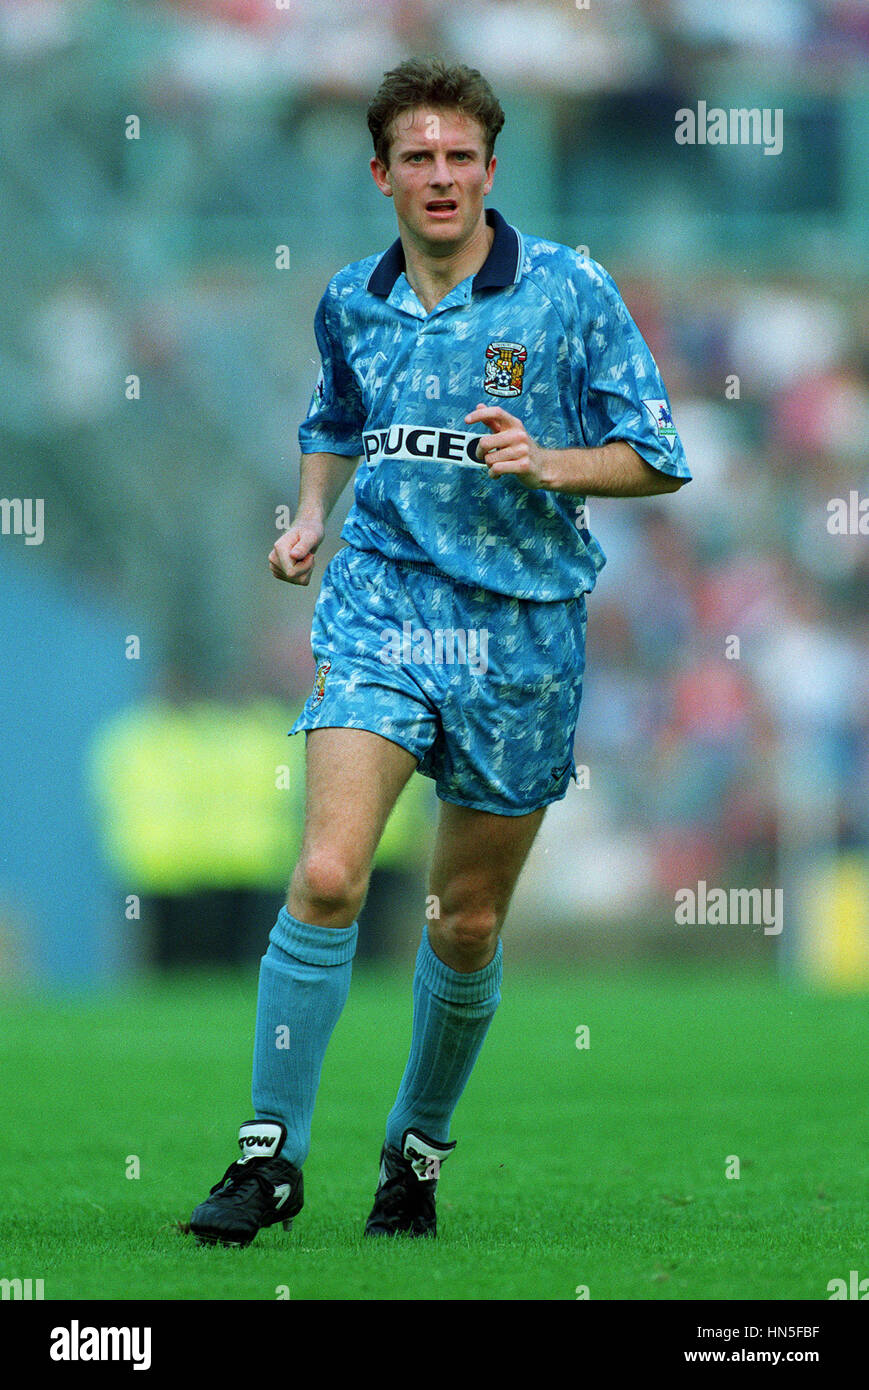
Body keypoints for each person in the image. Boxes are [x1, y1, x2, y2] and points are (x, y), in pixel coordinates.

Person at [189, 57, 691, 1247]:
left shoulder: (568, 290)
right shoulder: (348, 298)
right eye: (417, 158)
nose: (440, 177)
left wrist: (549, 463)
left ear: (490, 170)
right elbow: (331, 420)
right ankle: (269, 1156)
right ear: (381, 174)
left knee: (462, 922)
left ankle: (412, 1152)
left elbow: (659, 452)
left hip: (520, 635)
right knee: (324, 875)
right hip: (379, 609)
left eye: (460, 157)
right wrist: (312, 514)